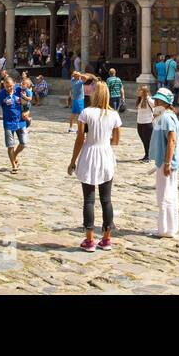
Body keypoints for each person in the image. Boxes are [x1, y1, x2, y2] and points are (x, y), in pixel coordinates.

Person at [68, 79, 122, 252]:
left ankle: (89, 239)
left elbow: (79, 138)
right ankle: (106, 238)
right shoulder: (113, 115)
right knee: (106, 199)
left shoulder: (86, 113)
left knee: (89, 199)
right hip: (105, 154)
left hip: (90, 154)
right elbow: (116, 140)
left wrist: (72, 161)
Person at [149, 87, 179, 238]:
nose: (155, 102)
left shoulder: (167, 118)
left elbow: (171, 140)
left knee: (164, 195)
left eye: (158, 100)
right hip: (165, 160)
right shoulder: (165, 115)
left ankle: (164, 229)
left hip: (165, 161)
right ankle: (171, 227)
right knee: (170, 194)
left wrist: (167, 163)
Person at [0, 74, 30, 172]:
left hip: (21, 122)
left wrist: (27, 112)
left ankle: (14, 155)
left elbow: (28, 102)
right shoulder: (1, 94)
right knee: (10, 145)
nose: (9, 88)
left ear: (14, 84)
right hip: (8, 123)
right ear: (4, 85)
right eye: (6, 86)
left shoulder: (19, 90)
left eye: (11, 86)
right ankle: (13, 165)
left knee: (24, 143)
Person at [134, 83, 154, 161]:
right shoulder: (140, 99)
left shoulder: (149, 100)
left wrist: (154, 116)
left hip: (147, 123)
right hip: (140, 123)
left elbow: (158, 107)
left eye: (140, 90)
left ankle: (148, 156)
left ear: (144, 91)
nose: (138, 91)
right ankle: (146, 155)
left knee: (147, 140)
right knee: (143, 140)